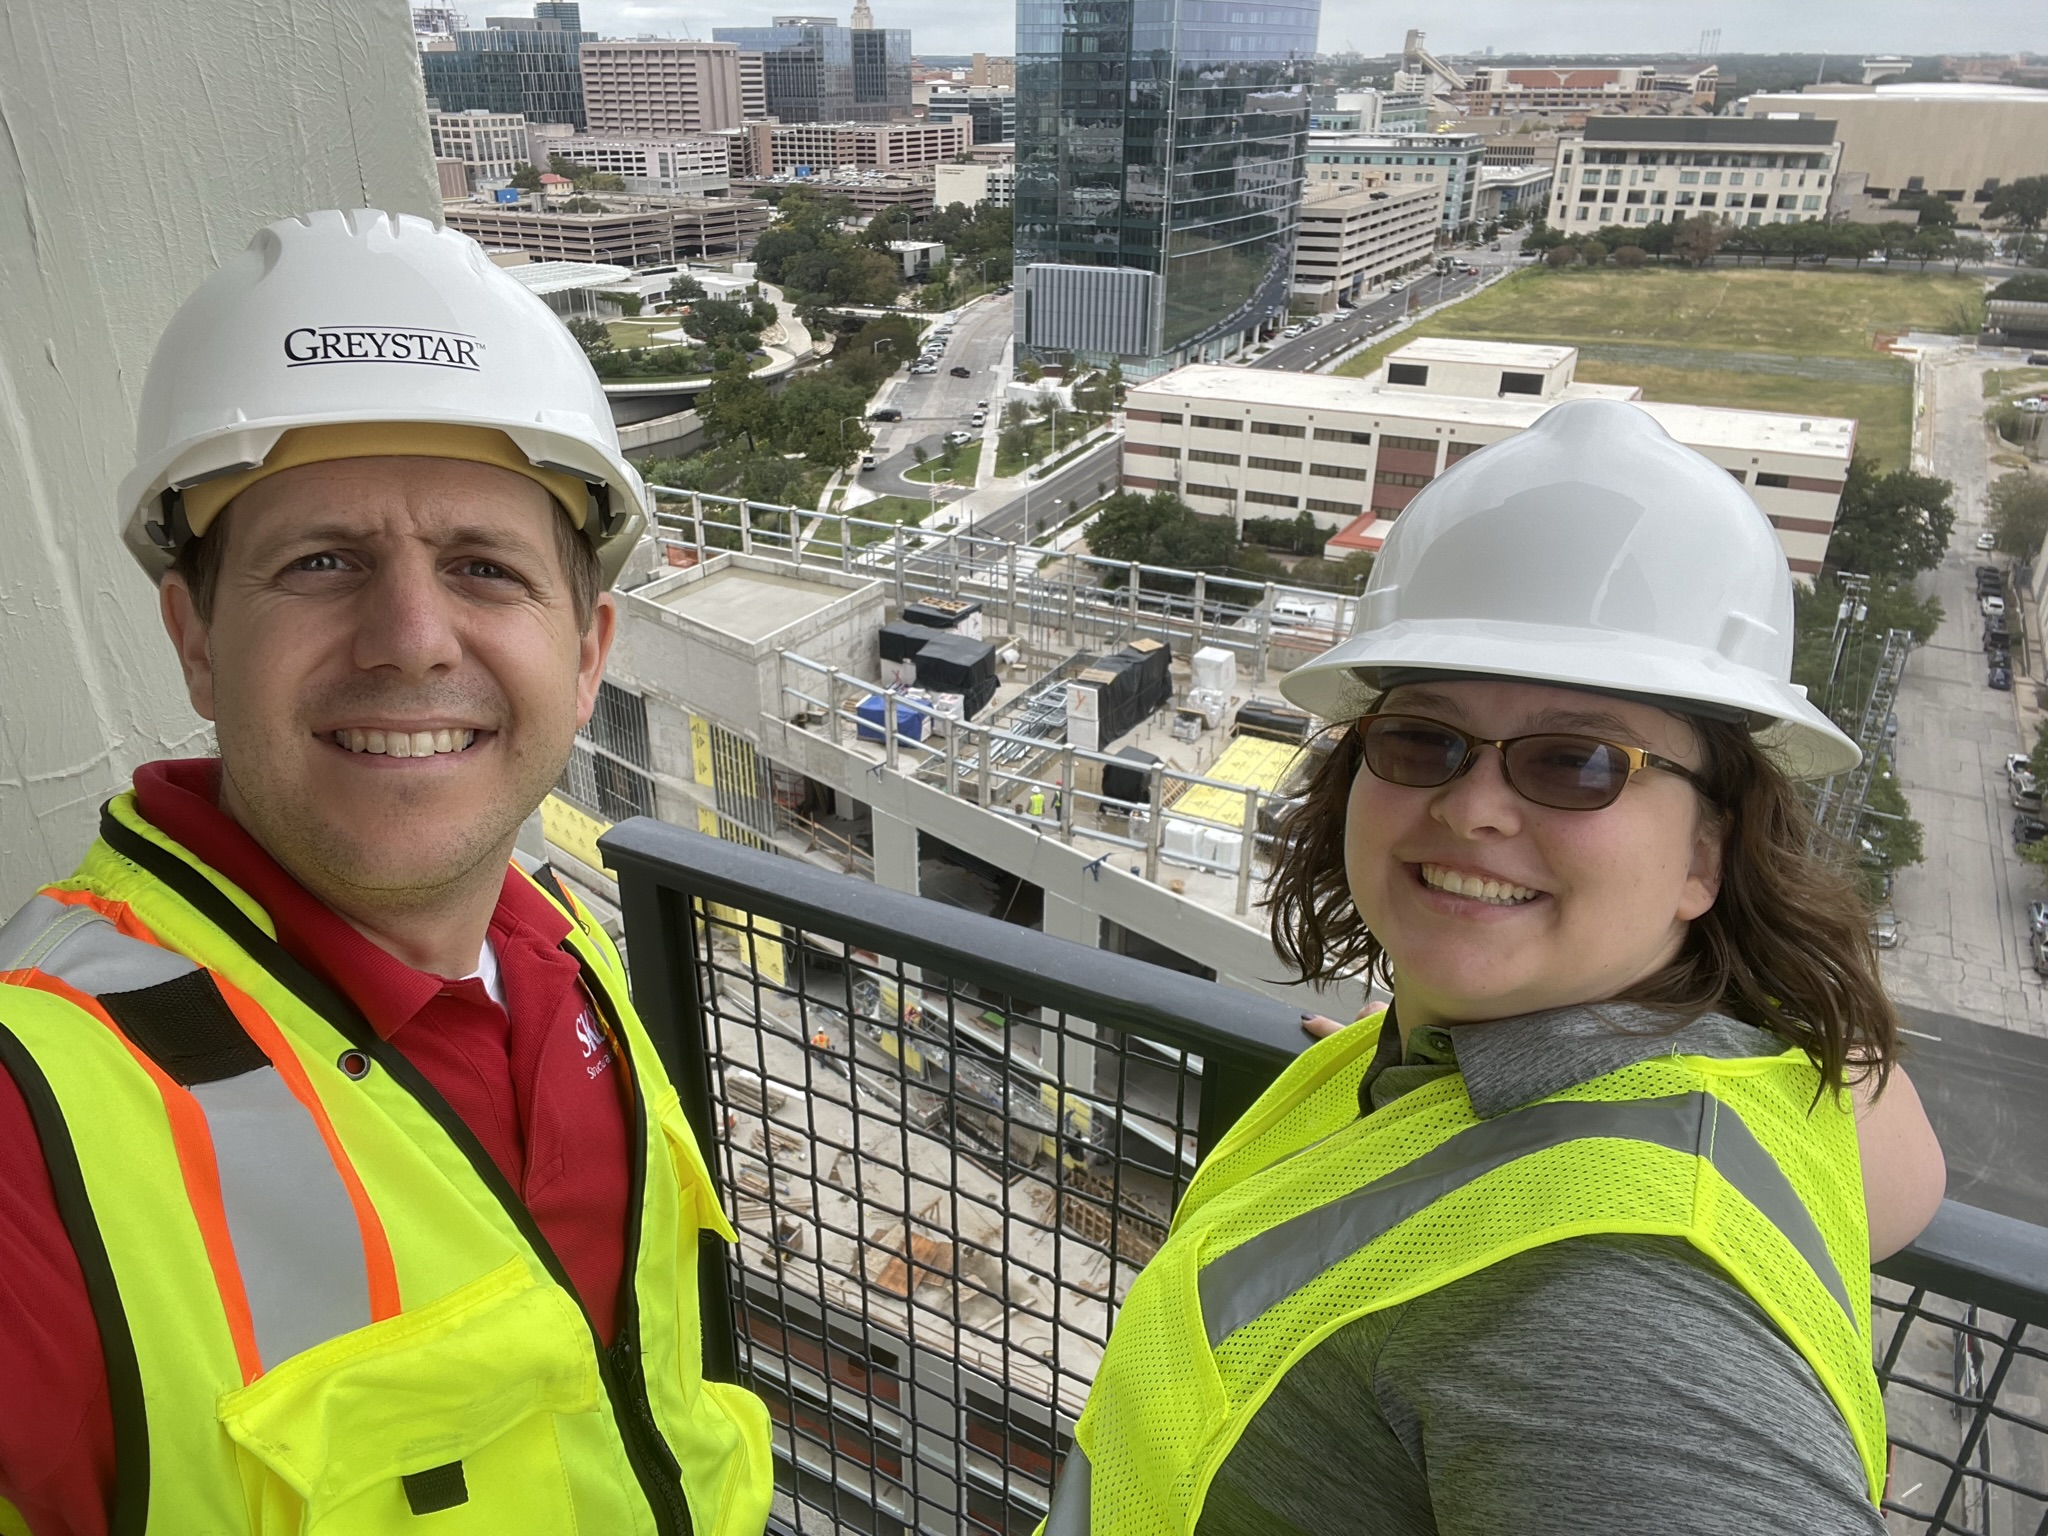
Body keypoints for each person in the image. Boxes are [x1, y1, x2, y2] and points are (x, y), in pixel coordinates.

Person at [1041, 399, 1944, 1536]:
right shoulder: (1726, 1076)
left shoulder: (1618, 1310)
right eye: (1422, 739)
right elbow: (1899, 1181)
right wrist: (1453, 1095)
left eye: (1578, 762)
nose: (1472, 809)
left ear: (1703, 855)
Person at [0, 210, 772, 1534]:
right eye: (322, 563)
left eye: (483, 567)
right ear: (196, 640)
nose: (412, 639)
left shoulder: (558, 953)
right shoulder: (35, 1131)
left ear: (587, 653)